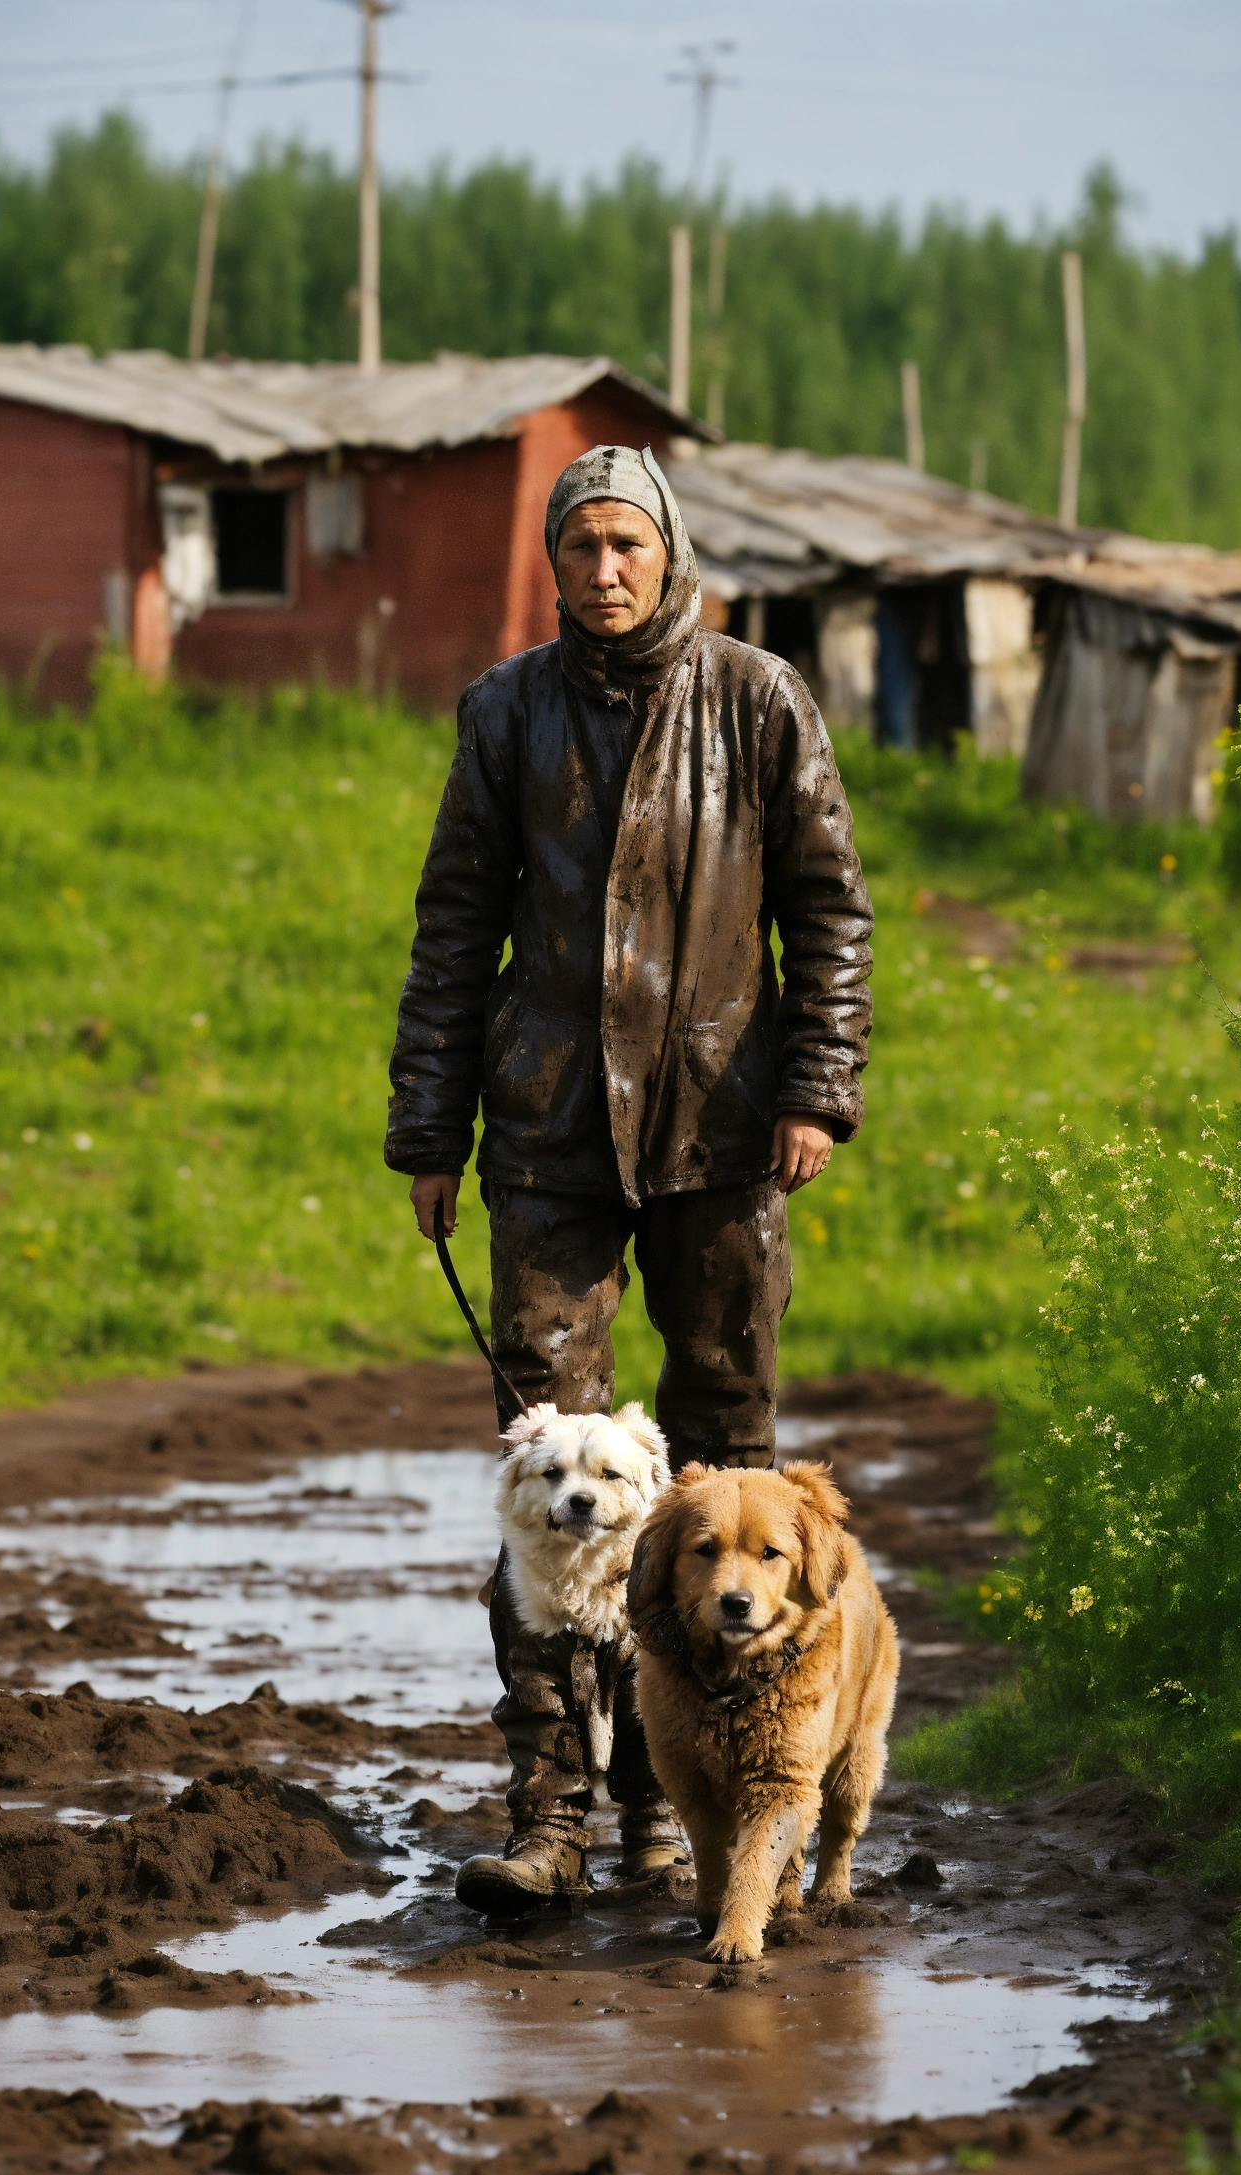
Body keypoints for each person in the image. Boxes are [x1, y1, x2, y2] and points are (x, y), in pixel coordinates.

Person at [384, 444, 873, 1916]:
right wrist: (429, 1132)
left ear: (670, 556)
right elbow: (454, 929)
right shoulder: (504, 715)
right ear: (555, 561)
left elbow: (829, 907)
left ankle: (681, 1808)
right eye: (580, 546)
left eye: (626, 545)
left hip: (725, 1132)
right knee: (552, 1479)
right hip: (544, 1138)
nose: (604, 569)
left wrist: (816, 1091)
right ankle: (549, 1819)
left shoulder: (758, 698)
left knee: (723, 1468)